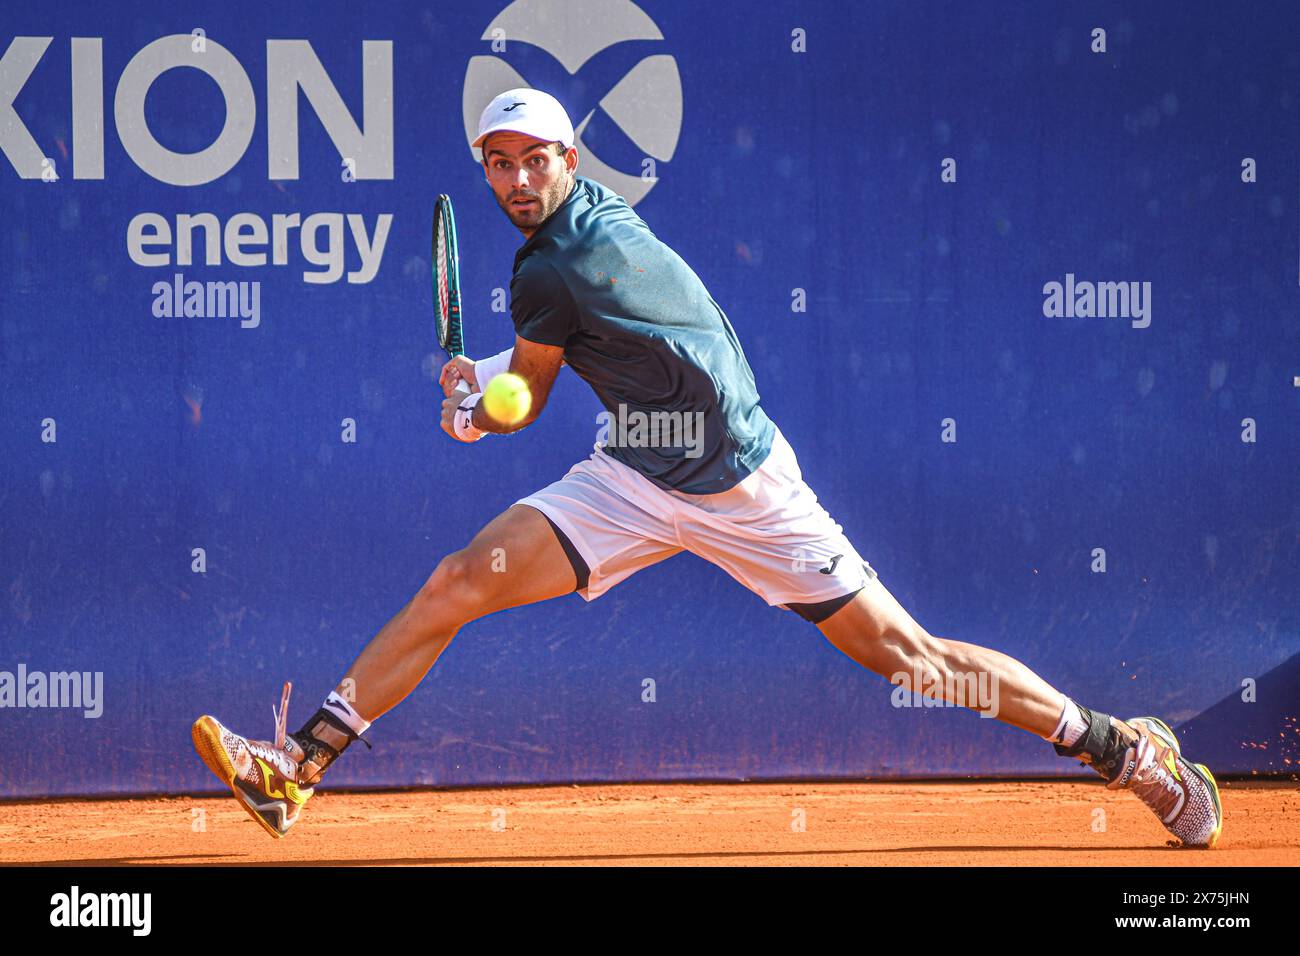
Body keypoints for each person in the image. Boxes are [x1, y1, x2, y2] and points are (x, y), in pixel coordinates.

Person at [192, 88, 1223, 848]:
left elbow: (529, 399)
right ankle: (297, 767)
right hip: (635, 473)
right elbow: (578, 348)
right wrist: (493, 378)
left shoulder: (551, 264)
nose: (513, 181)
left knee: (911, 658)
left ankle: (1120, 746)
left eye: (530, 161)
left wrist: (477, 406)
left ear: (568, 156)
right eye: (496, 163)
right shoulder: (586, 225)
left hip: (744, 490)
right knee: (456, 581)